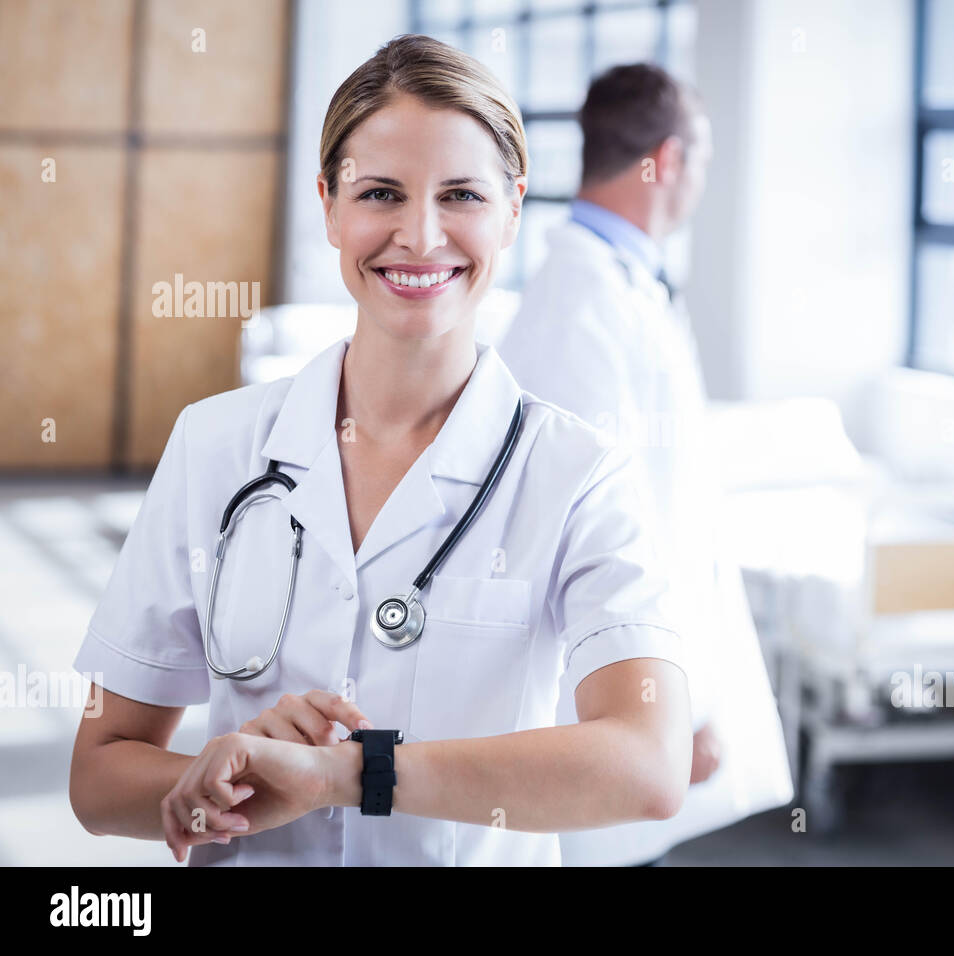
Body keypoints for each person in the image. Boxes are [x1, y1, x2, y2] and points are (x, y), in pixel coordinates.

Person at [67, 34, 694, 866]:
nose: (420, 235)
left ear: (513, 208)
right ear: (329, 205)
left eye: (462, 195)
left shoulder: (579, 475)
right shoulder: (214, 445)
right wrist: (215, 782)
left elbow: (648, 765)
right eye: (382, 194)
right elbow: (99, 776)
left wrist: (347, 774)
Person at [499, 63, 793, 867]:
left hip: (633, 704)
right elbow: (604, 540)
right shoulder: (581, 310)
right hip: (617, 708)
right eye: (701, 159)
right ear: (666, 160)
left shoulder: (623, 288)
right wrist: (670, 705)